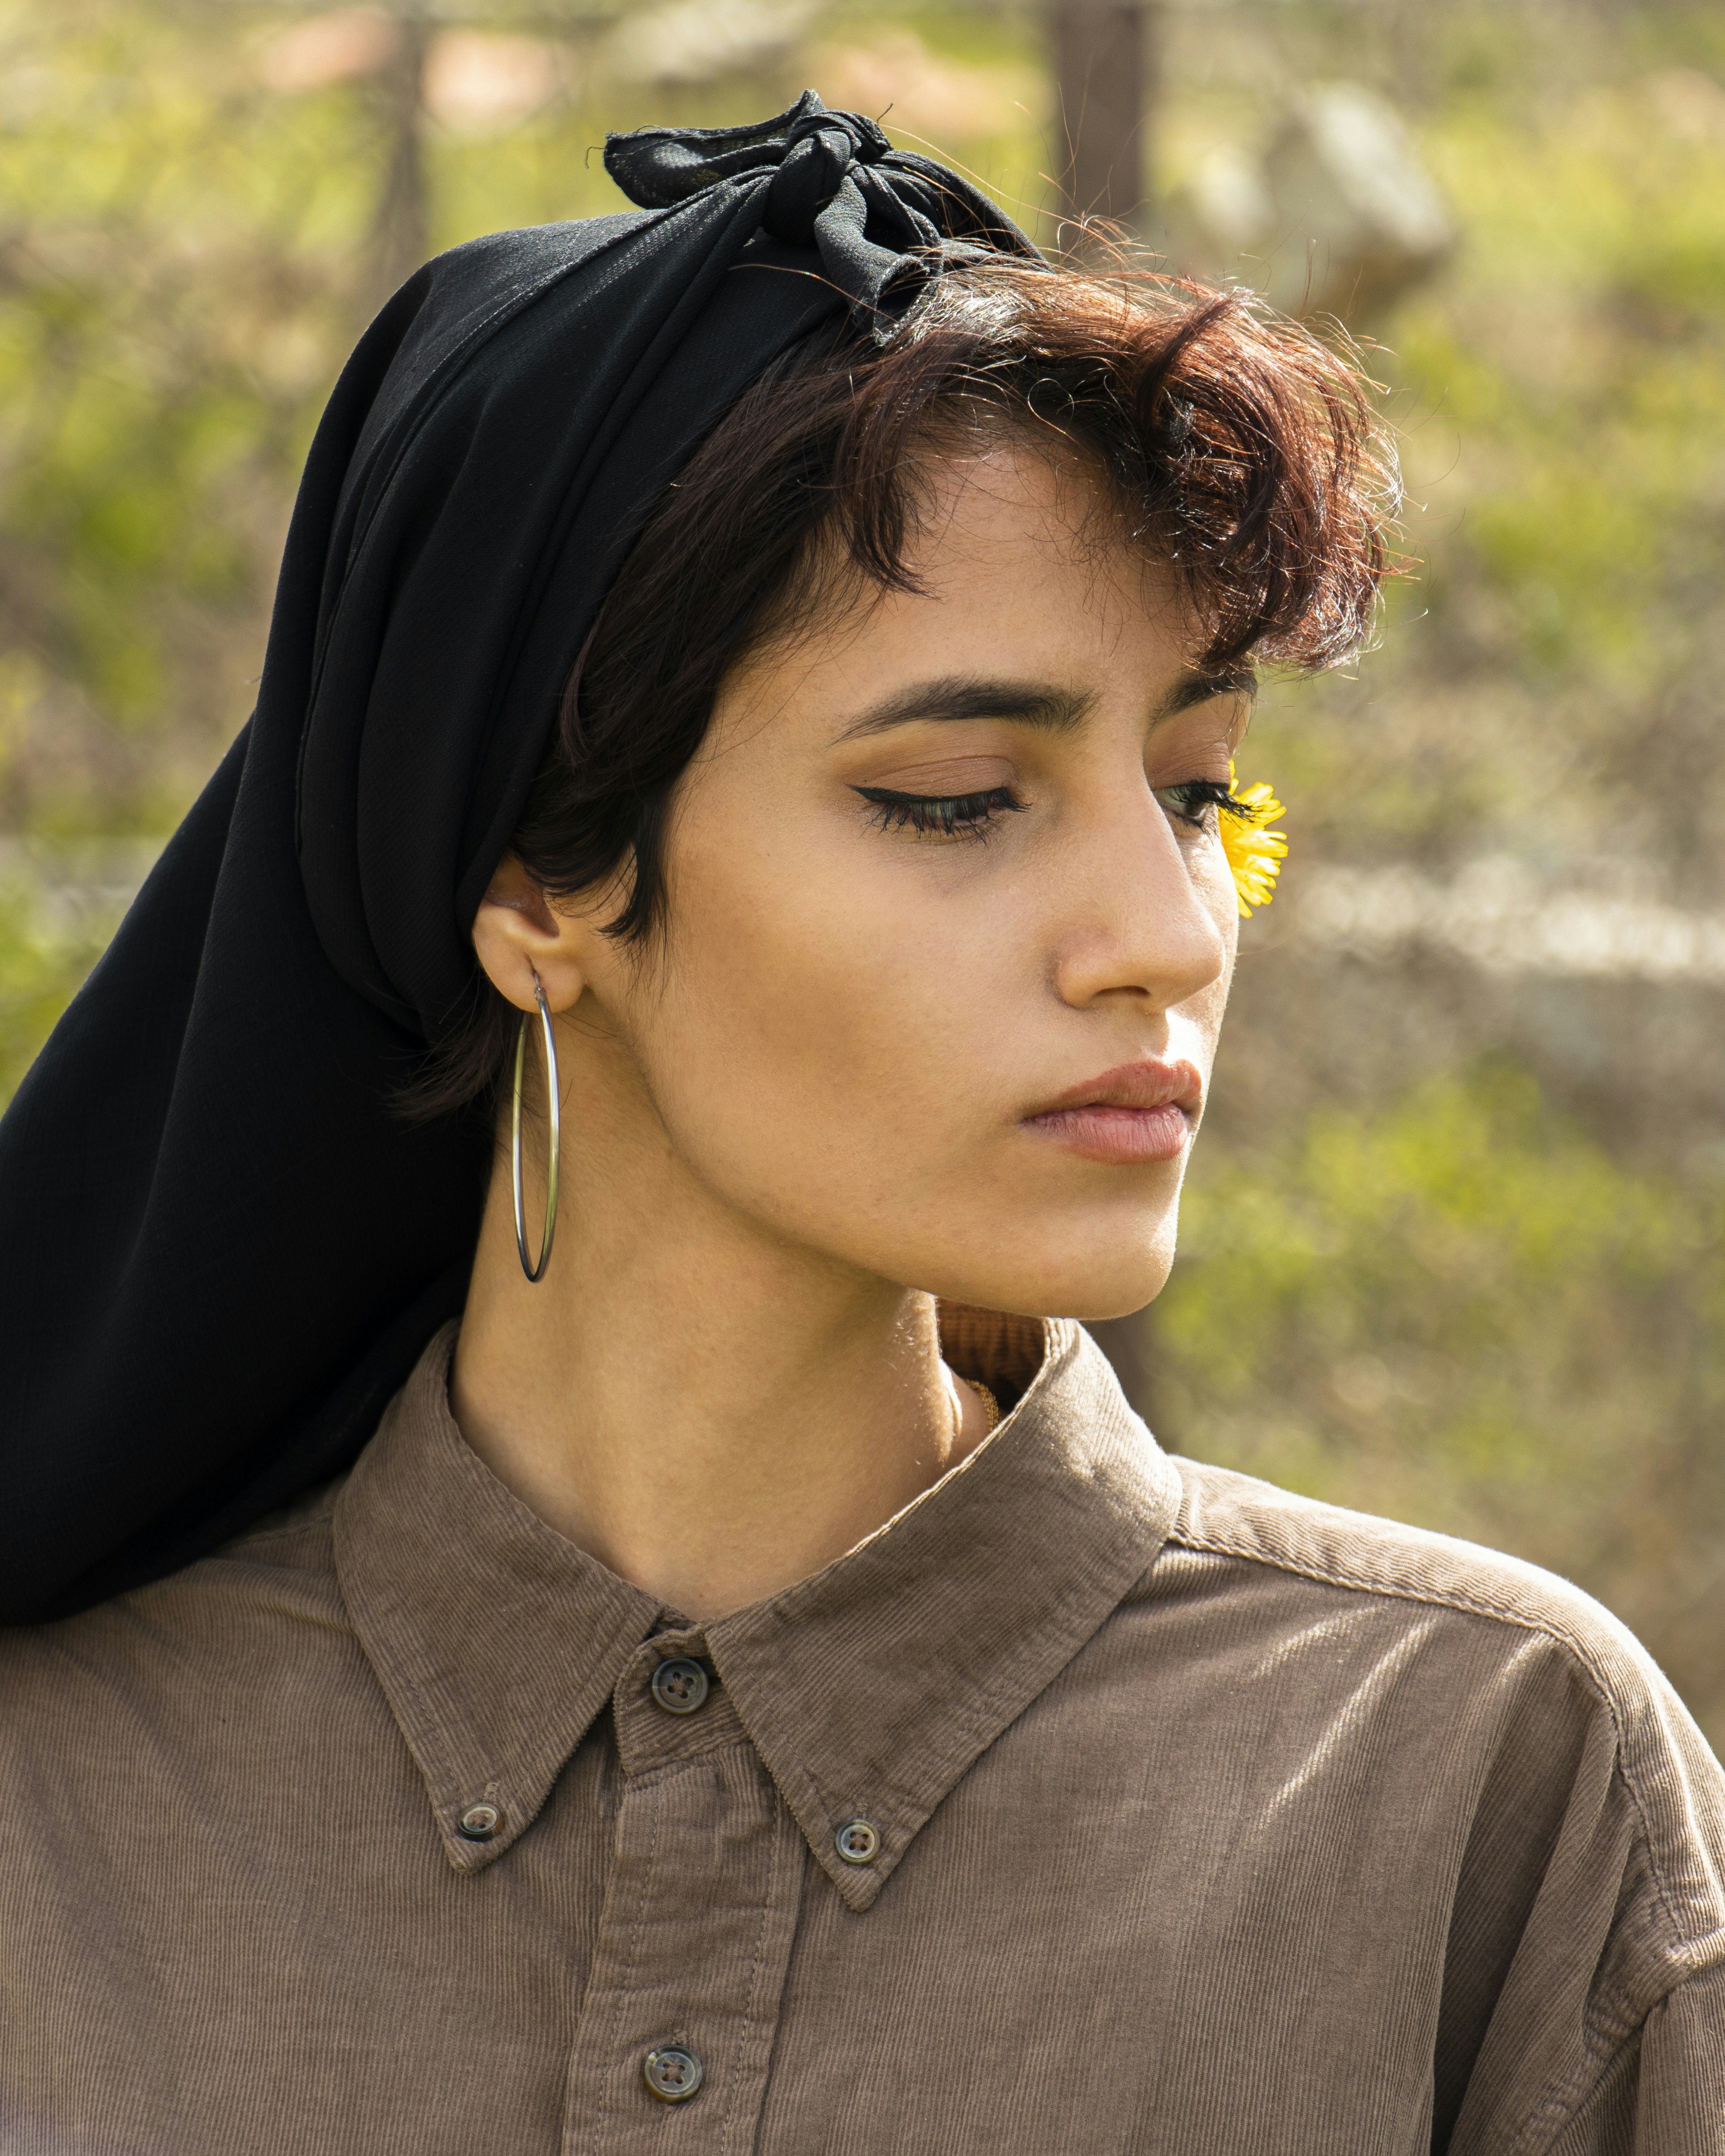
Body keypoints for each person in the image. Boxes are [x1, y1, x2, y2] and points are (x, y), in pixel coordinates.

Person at [0, 95, 1720, 2155]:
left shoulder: (1470, 1788)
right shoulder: (56, 1803)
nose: (1165, 930)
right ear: (536, 891)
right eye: (954, 799)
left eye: (1199, 787)